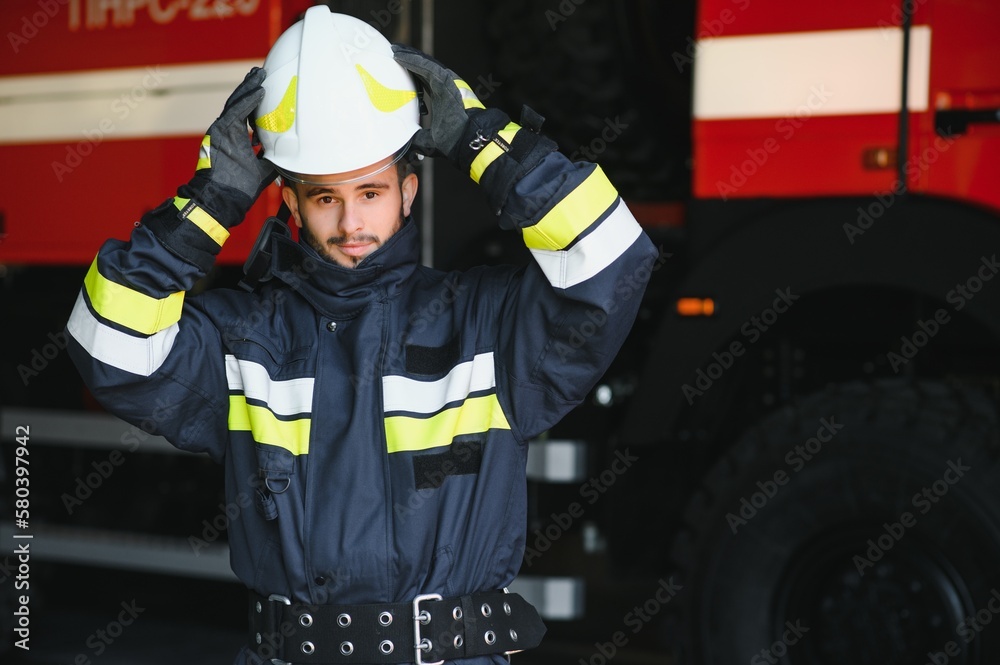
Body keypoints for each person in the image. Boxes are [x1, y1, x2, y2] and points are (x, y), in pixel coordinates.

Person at [66, 6, 657, 664]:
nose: (352, 222)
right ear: (289, 203)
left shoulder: (486, 323)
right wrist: (211, 201)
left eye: (370, 192)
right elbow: (107, 346)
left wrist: (481, 142)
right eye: (325, 197)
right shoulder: (243, 338)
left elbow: (614, 262)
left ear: (408, 191)